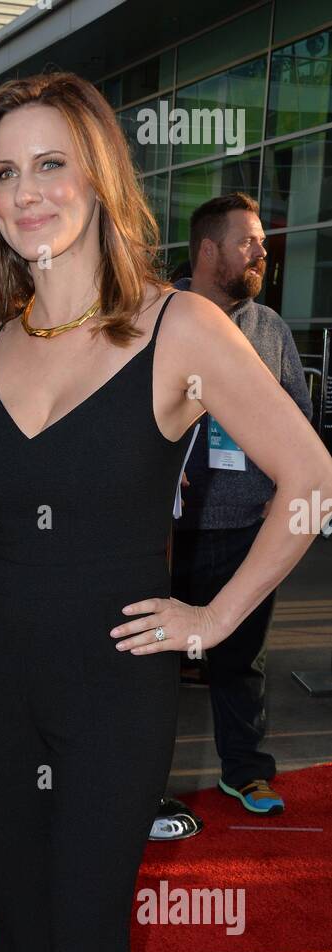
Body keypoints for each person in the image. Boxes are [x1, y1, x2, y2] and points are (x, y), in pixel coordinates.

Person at [0, 71, 332, 952]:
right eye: (5, 171)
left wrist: (214, 618)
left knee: (84, 938)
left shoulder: (179, 329)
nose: (26, 192)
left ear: (102, 177)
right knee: (12, 928)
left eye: (51, 164)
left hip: (114, 687)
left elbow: (311, 476)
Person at [171, 194, 314, 814]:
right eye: (248, 242)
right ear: (208, 251)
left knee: (241, 660)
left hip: (243, 531)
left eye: (260, 242)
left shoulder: (269, 329)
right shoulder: (156, 316)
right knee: (147, 665)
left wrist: (285, 497)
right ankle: (138, 782)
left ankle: (246, 771)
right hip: (161, 533)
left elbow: (302, 434)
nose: (262, 253)